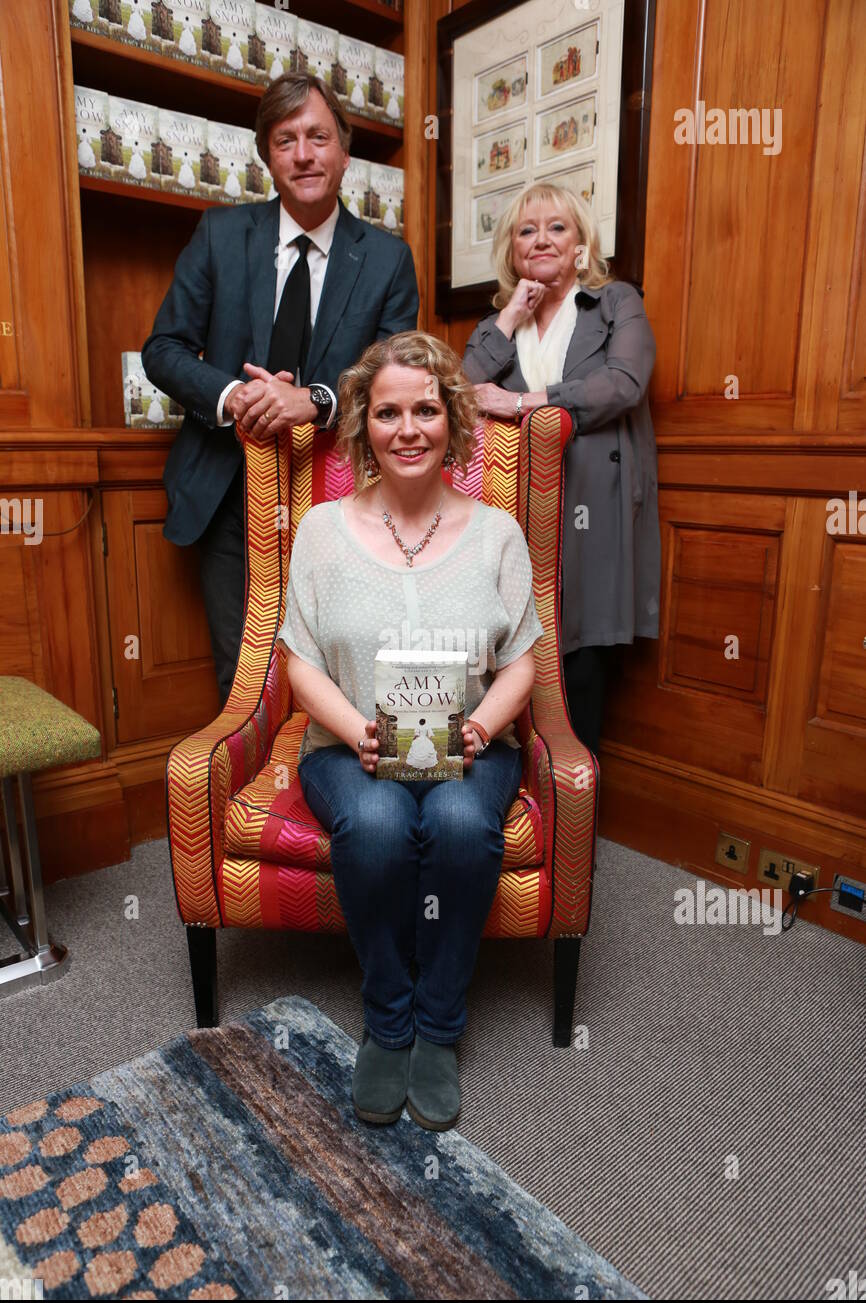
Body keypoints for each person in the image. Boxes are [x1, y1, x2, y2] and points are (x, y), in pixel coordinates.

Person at [276, 331, 544, 1131]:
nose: (408, 428)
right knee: (383, 823)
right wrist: (358, 728)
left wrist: (484, 725)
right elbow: (298, 663)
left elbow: (525, 661)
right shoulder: (321, 531)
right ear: (363, 424)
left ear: (453, 422)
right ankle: (388, 1021)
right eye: (388, 412)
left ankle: (439, 1025)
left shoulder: (498, 534)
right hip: (349, 747)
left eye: (425, 409)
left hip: (473, 745)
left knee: (461, 823)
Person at [142, 74, 419, 704]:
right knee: (243, 686)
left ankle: (329, 796)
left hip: (344, 498)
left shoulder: (386, 259)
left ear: (345, 153)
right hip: (228, 494)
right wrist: (235, 398)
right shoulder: (218, 234)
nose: (304, 154)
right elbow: (164, 349)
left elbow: (398, 375)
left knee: (344, 681)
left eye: (319, 137)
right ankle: (249, 801)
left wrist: (316, 400)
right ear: (267, 155)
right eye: (285, 139)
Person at [462, 181, 659, 756]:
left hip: (594, 502)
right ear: (511, 250)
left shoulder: (617, 300)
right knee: (507, 646)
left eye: (557, 227)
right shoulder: (499, 322)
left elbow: (623, 382)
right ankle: (504, 791)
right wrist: (511, 316)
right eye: (526, 230)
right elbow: (458, 389)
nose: (541, 238)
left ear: (580, 245)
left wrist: (524, 402)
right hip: (511, 508)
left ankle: (571, 816)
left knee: (582, 660)